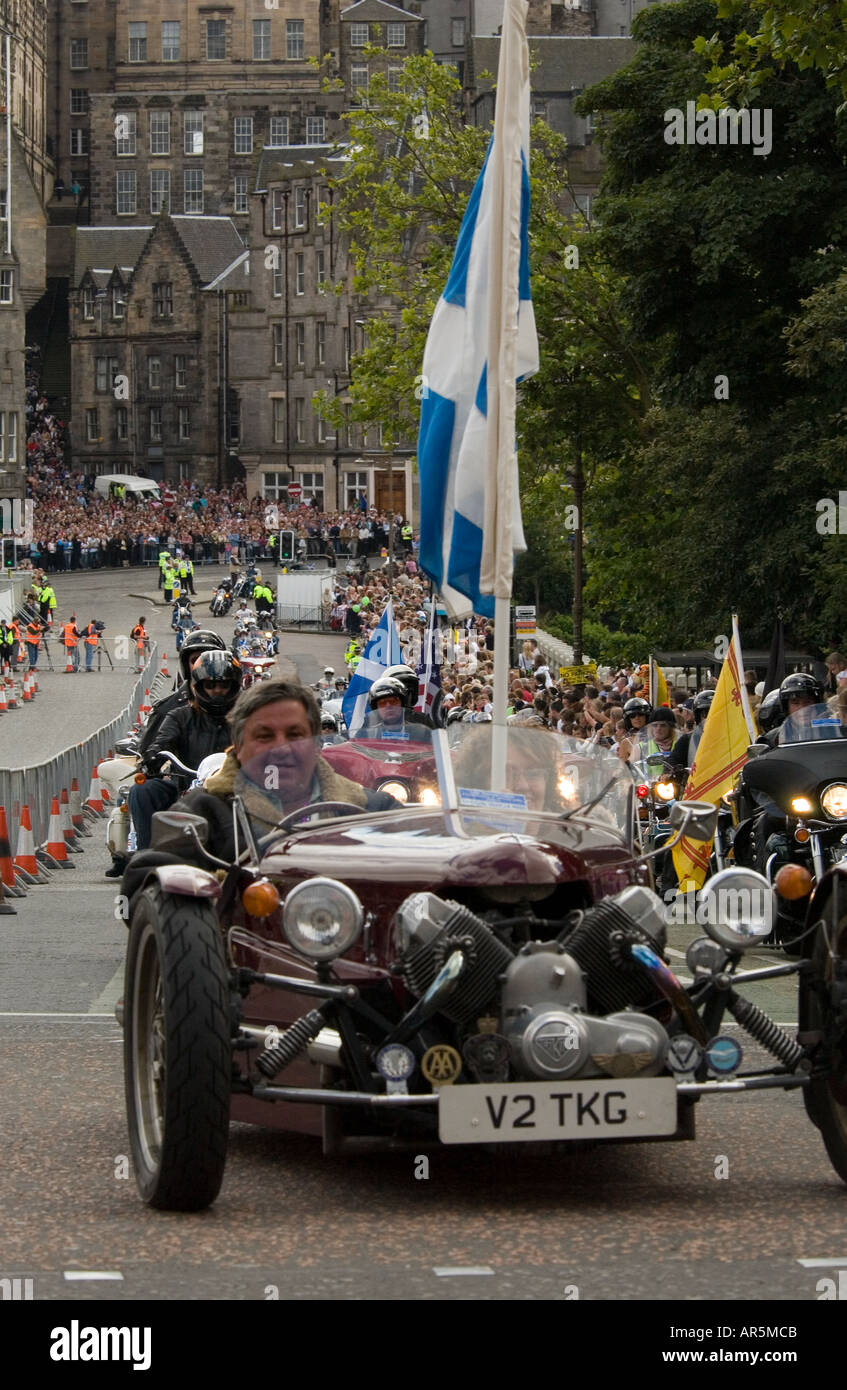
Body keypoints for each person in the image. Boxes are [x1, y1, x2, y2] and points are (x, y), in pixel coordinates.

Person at [123, 650, 241, 863]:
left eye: (224, 685)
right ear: (198, 686)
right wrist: (153, 756)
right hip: (186, 785)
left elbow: (266, 741)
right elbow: (162, 740)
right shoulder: (180, 715)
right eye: (210, 685)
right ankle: (146, 856)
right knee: (143, 789)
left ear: (234, 686)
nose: (217, 691)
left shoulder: (248, 717)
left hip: (238, 787)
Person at [354, 676, 431, 742]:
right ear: (376, 708)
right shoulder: (367, 734)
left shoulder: (421, 732)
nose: (388, 706)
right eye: (382, 703)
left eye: (393, 701)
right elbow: (353, 751)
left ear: (402, 704)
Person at [776, 672, 843, 745]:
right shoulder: (775, 737)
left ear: (817, 703)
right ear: (786, 706)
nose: (802, 709)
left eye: (808, 702)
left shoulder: (835, 728)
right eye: (796, 703)